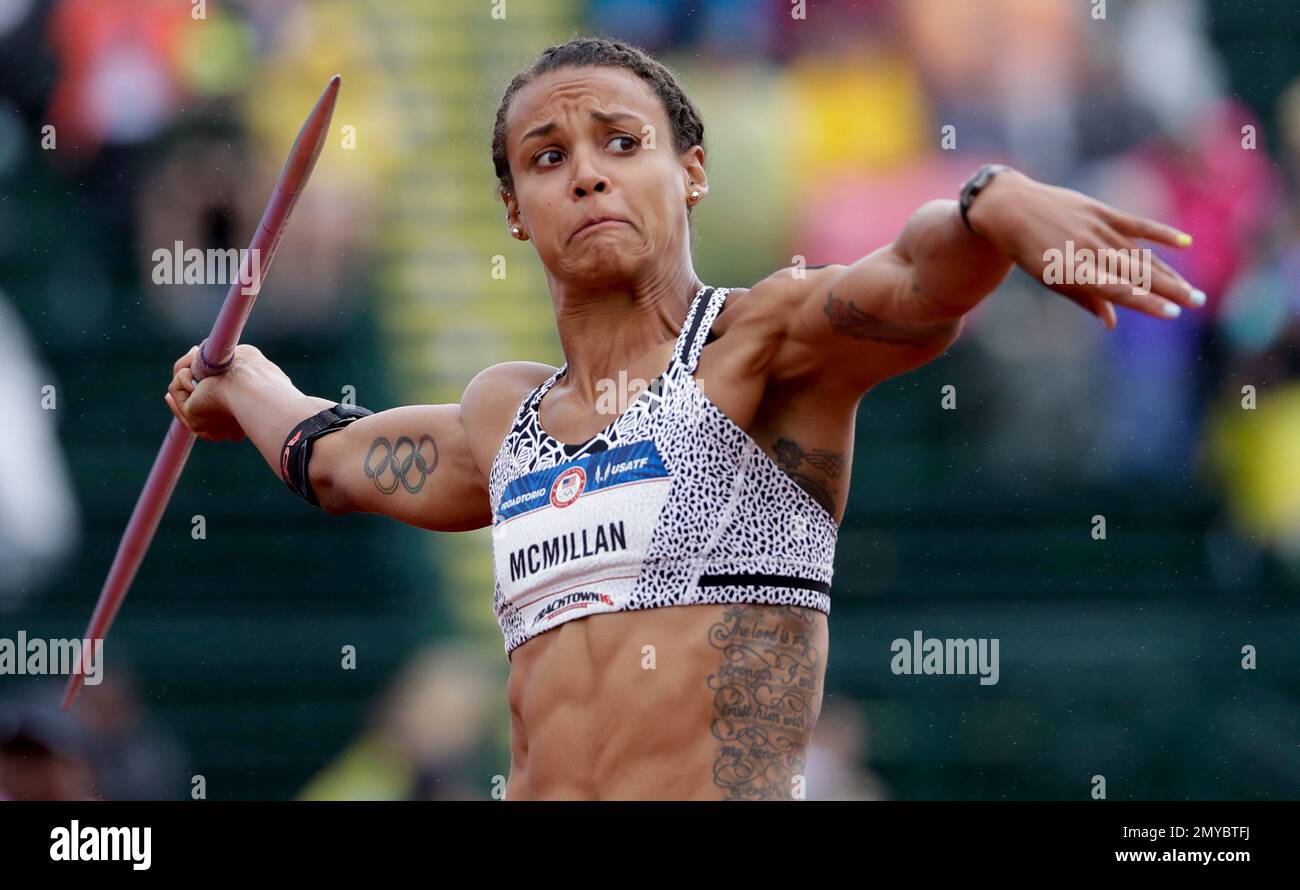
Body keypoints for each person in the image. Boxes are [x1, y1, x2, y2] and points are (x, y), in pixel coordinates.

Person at [164, 37, 1203, 800]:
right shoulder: (505, 417)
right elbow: (333, 458)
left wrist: (993, 200)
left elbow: (918, 272)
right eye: (546, 156)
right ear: (516, 213)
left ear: (691, 172)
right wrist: (241, 380)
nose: (586, 171)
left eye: (621, 140)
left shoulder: (763, 342)